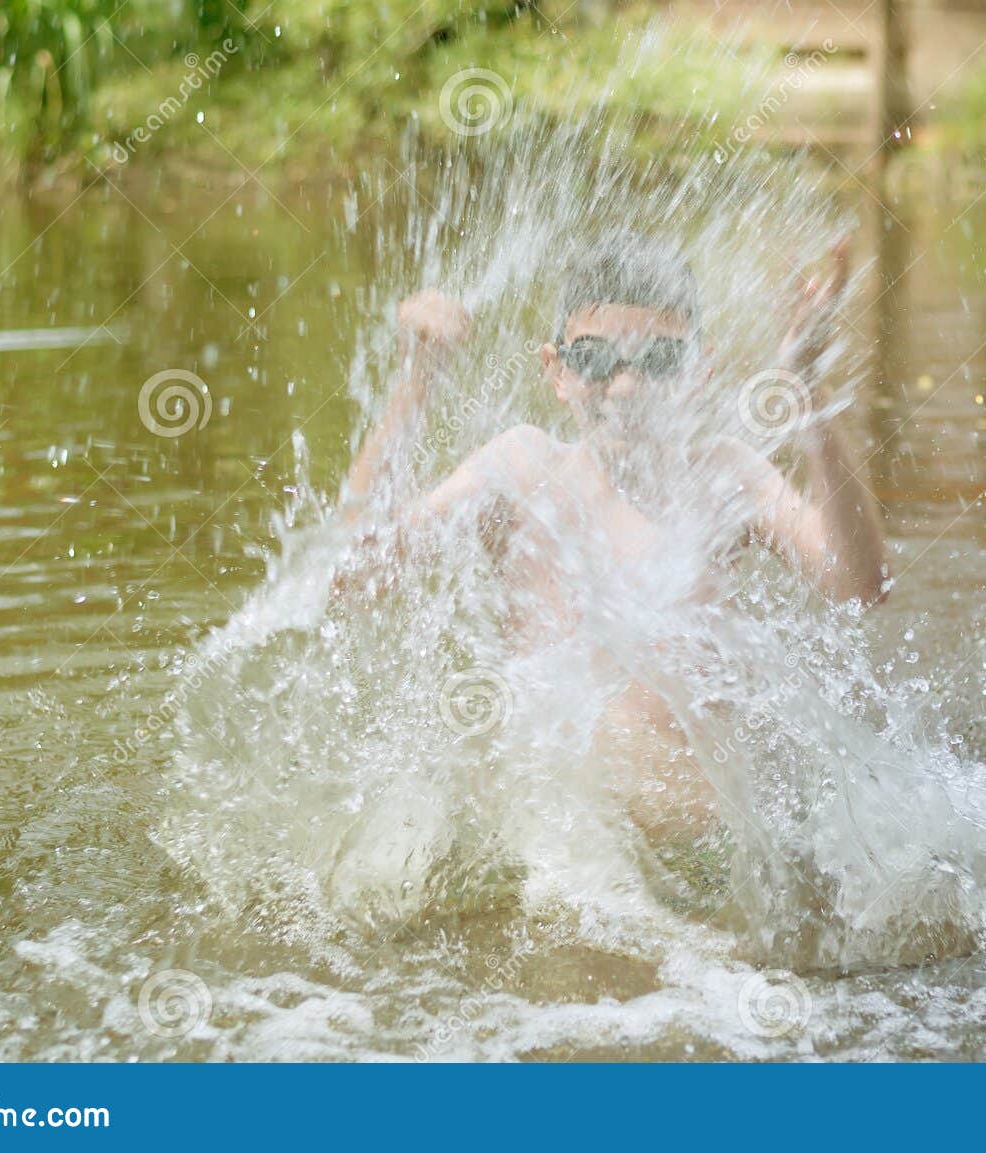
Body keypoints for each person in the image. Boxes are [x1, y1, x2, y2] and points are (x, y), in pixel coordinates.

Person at [334, 231, 888, 837]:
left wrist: (807, 384)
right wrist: (419, 377)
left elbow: (858, 583)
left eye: (658, 361)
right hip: (552, 854)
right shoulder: (522, 473)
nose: (625, 388)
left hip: (699, 849)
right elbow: (351, 575)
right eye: (597, 359)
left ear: (697, 372)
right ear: (557, 371)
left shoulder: (723, 478)